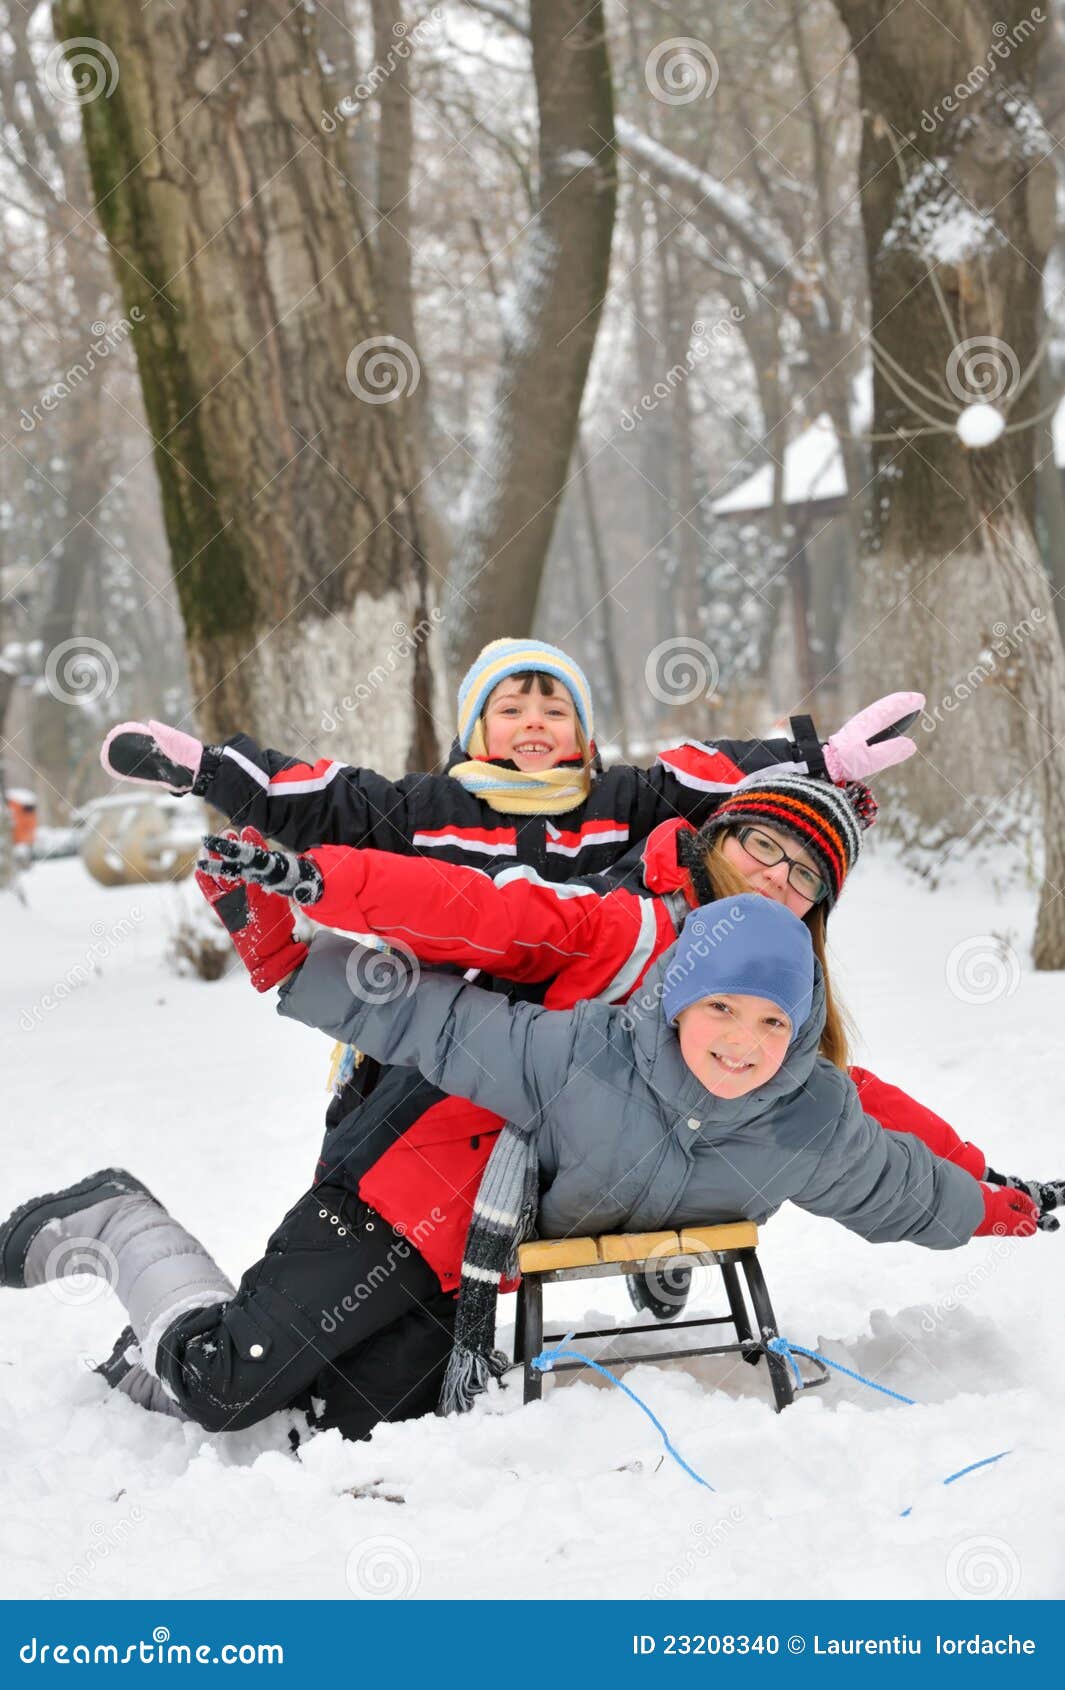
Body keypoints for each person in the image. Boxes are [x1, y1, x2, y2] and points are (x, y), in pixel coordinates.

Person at [1, 778, 1053, 1444]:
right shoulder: (622, 928)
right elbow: (469, 919)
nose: (778, 880)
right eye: (762, 848)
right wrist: (318, 884)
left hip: (486, 1248)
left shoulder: (776, 1018)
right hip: (412, 1185)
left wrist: (993, 1188)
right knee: (232, 1384)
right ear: (717, 837)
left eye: (806, 875)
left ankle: (151, 1358)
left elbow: (859, 1119)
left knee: (339, 1423)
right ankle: (113, 1220)